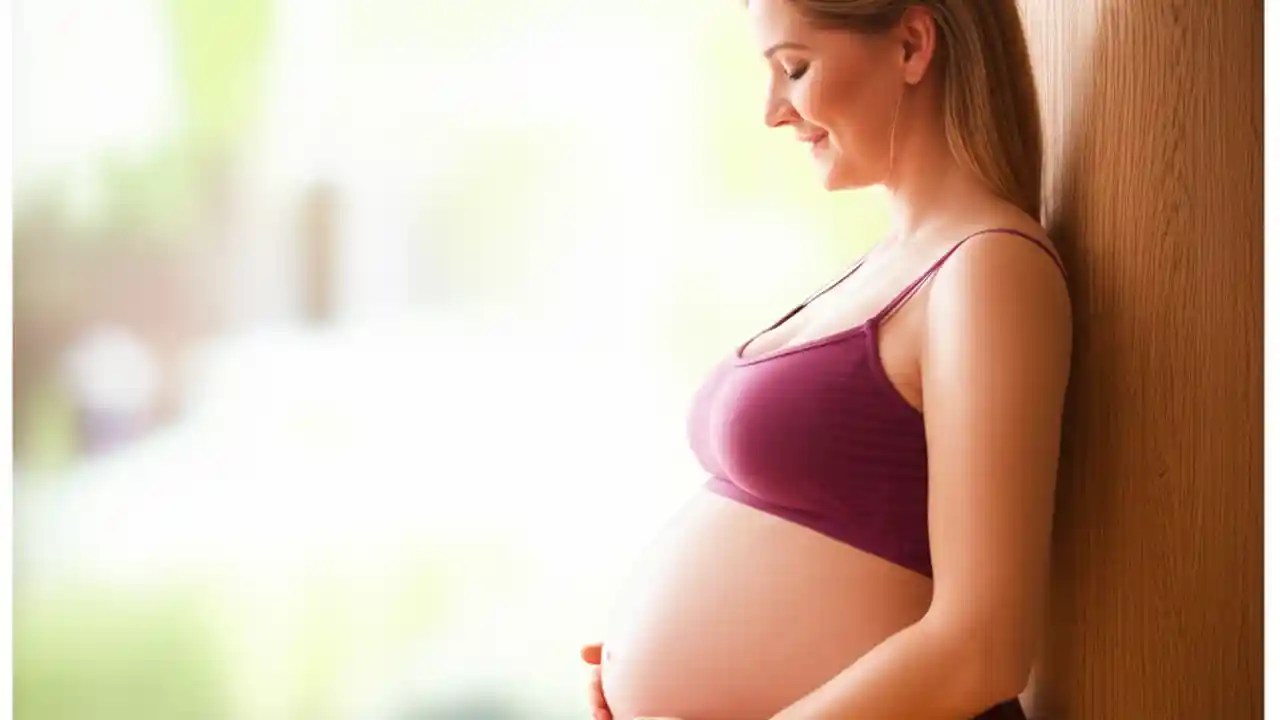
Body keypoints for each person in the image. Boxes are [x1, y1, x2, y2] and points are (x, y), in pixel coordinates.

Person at [582, 0, 1070, 718]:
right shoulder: (893, 264)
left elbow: (984, 645)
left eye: (795, 69)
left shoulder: (988, 269)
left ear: (910, 44)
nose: (774, 112)